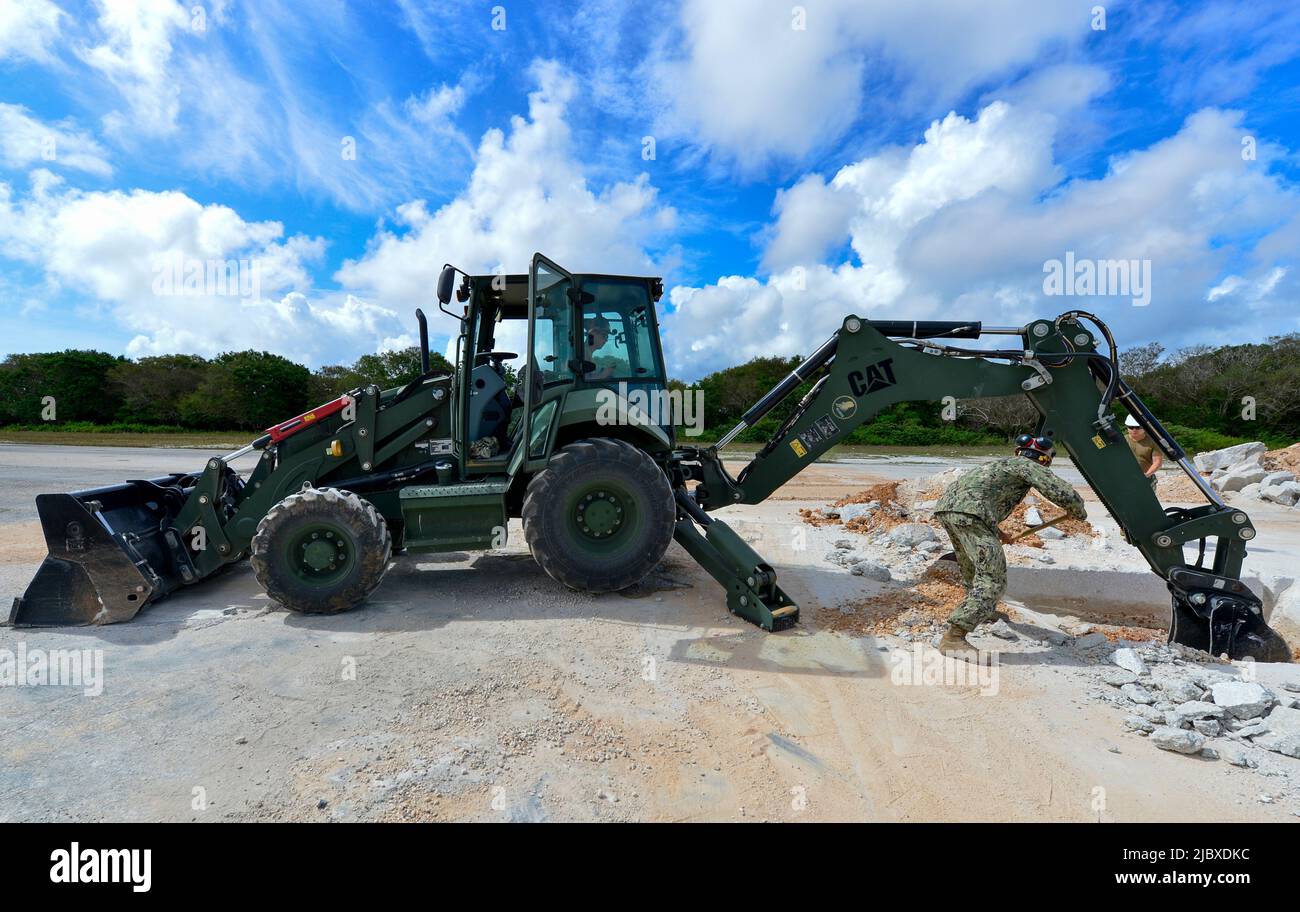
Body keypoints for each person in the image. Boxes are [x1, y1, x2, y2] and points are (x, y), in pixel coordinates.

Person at [933, 435, 1088, 659]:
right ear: (1044, 460)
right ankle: (954, 638)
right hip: (971, 515)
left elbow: (977, 495)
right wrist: (1077, 509)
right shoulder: (1027, 465)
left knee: (972, 567)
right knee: (992, 579)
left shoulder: (999, 464)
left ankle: (981, 612)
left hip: (949, 511)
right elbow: (1061, 492)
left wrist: (998, 532)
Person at [1125, 414, 1162, 489]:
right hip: (1125, 478)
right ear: (1127, 427)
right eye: (1131, 427)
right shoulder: (1122, 441)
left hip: (1146, 478)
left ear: (1144, 427)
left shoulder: (1153, 442)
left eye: (1138, 427)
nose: (1134, 430)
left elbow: (1157, 462)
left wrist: (1146, 475)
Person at [583, 315, 616, 381]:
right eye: (604, 335)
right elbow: (584, 380)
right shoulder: (584, 353)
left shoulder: (586, 352)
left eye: (607, 337)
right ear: (592, 333)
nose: (606, 340)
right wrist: (604, 374)